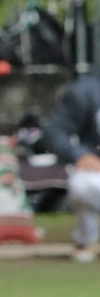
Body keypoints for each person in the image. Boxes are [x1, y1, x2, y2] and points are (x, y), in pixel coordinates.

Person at [43, 71, 100, 262]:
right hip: (97, 167)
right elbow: (54, 132)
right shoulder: (87, 88)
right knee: (83, 184)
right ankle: (86, 240)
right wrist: (80, 154)